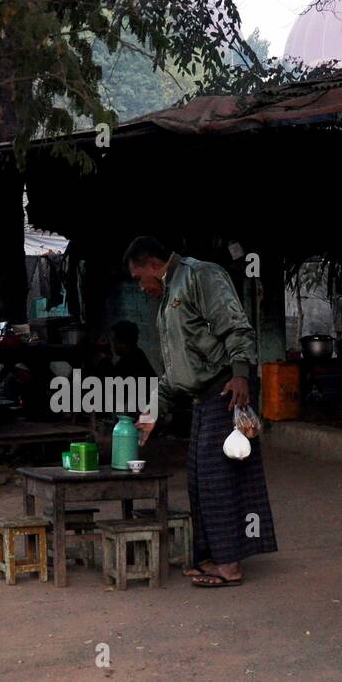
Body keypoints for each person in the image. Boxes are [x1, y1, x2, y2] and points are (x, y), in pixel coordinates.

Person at [126, 236, 277, 588]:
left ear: (152, 265)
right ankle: (212, 558)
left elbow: (235, 324)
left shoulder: (200, 275)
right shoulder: (167, 302)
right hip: (199, 400)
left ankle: (229, 566)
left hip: (223, 392)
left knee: (219, 482)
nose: (140, 286)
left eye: (138, 278)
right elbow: (174, 373)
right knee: (199, 482)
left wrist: (241, 374)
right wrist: (152, 412)